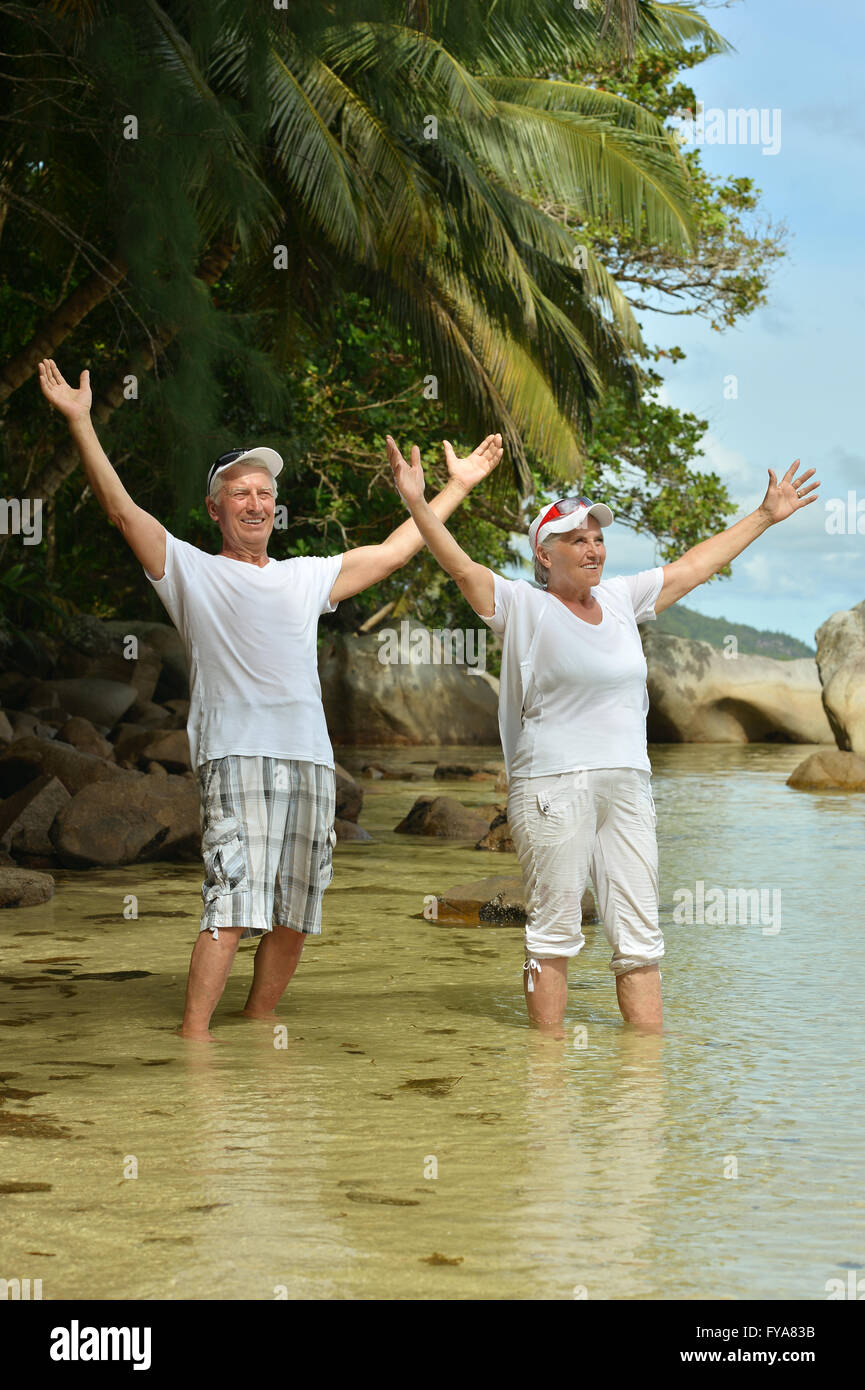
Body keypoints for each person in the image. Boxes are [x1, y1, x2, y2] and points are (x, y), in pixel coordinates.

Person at [38, 358, 502, 1040]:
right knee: (230, 907)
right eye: (240, 493)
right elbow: (120, 510)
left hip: (309, 761)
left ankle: (257, 1027)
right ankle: (194, 1043)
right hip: (237, 756)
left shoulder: (303, 578)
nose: (255, 503)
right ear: (215, 508)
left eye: (264, 492)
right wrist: (82, 422)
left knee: (295, 913)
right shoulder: (190, 571)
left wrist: (451, 487)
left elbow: (395, 554)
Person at [386, 433, 819, 1034]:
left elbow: (695, 566)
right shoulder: (521, 606)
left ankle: (642, 1076)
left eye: (597, 539)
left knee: (641, 938)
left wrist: (765, 516)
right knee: (553, 934)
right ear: (545, 555)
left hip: (628, 784)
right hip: (552, 785)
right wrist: (418, 502)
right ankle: (546, 1071)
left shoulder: (620, 598)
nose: (592, 548)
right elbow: (458, 565)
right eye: (576, 540)